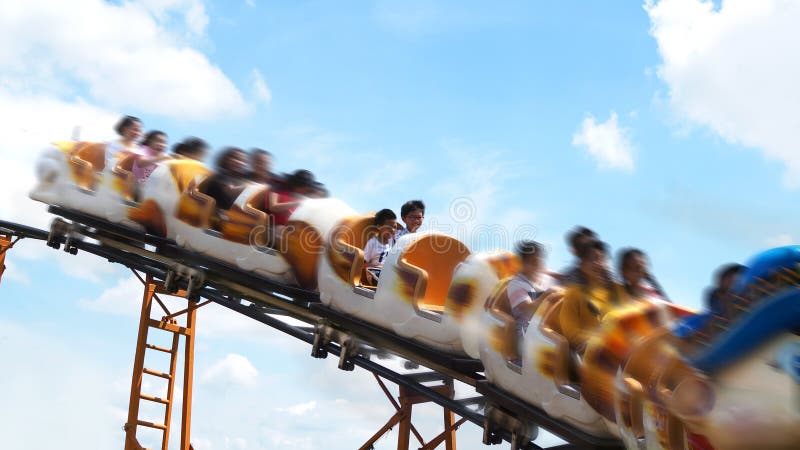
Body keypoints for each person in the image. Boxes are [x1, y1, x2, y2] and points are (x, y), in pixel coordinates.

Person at [559, 239, 616, 354]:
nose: (598, 264)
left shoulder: (614, 293)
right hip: (588, 354)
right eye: (593, 259)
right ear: (582, 264)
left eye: (602, 259)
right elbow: (571, 333)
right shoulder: (574, 293)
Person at [508, 241, 555, 337]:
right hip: (526, 333)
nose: (537, 265)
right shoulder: (516, 284)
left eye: (539, 261)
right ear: (522, 263)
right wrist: (547, 294)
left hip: (546, 328)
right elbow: (529, 310)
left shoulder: (544, 278)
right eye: (533, 262)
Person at [363, 209, 398, 280]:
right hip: (374, 274)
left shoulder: (392, 241)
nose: (393, 230)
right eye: (389, 227)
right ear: (379, 227)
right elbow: (362, 264)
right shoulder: (372, 243)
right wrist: (376, 266)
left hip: (386, 272)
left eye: (394, 227)